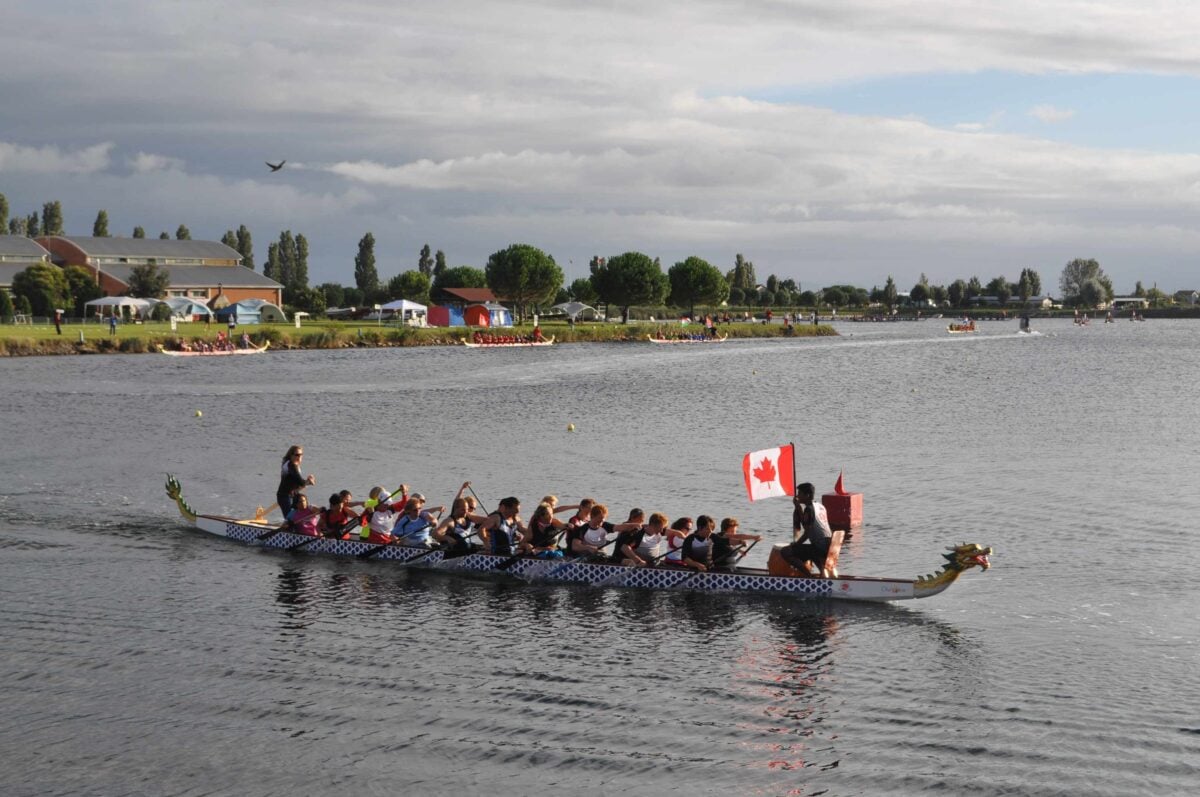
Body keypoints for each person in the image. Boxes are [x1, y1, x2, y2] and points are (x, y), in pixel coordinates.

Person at [779, 482, 833, 575]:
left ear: (807, 495)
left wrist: (796, 545)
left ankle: (808, 576)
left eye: (799, 493)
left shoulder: (809, 509)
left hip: (821, 547)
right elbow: (807, 524)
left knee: (785, 551)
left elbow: (807, 533)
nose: (797, 496)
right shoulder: (820, 506)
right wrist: (798, 507)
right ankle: (823, 575)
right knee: (809, 549)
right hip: (828, 545)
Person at [567, 504, 642, 561]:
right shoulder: (582, 529)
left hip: (601, 555)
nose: (602, 521)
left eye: (604, 518)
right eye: (600, 518)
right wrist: (588, 548)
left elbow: (620, 527)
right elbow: (575, 547)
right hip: (585, 557)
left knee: (626, 561)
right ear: (592, 516)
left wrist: (637, 525)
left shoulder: (605, 525)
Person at [276, 445, 316, 517]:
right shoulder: (291, 465)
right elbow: (300, 482)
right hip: (285, 496)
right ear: (291, 455)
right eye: (297, 455)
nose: (299, 457)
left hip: (292, 495)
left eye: (301, 455)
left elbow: (296, 482)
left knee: (298, 514)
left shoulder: (291, 464)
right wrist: (309, 481)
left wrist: (307, 482)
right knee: (290, 518)